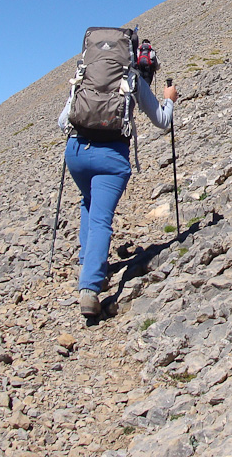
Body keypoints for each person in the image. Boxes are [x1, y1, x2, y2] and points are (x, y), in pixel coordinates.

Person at [58, 70, 177, 316]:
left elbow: (63, 123)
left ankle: (87, 262)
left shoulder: (85, 75)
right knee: (101, 218)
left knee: (89, 201)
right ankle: (90, 289)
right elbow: (163, 121)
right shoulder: (132, 77)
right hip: (110, 157)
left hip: (77, 153)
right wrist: (169, 99)